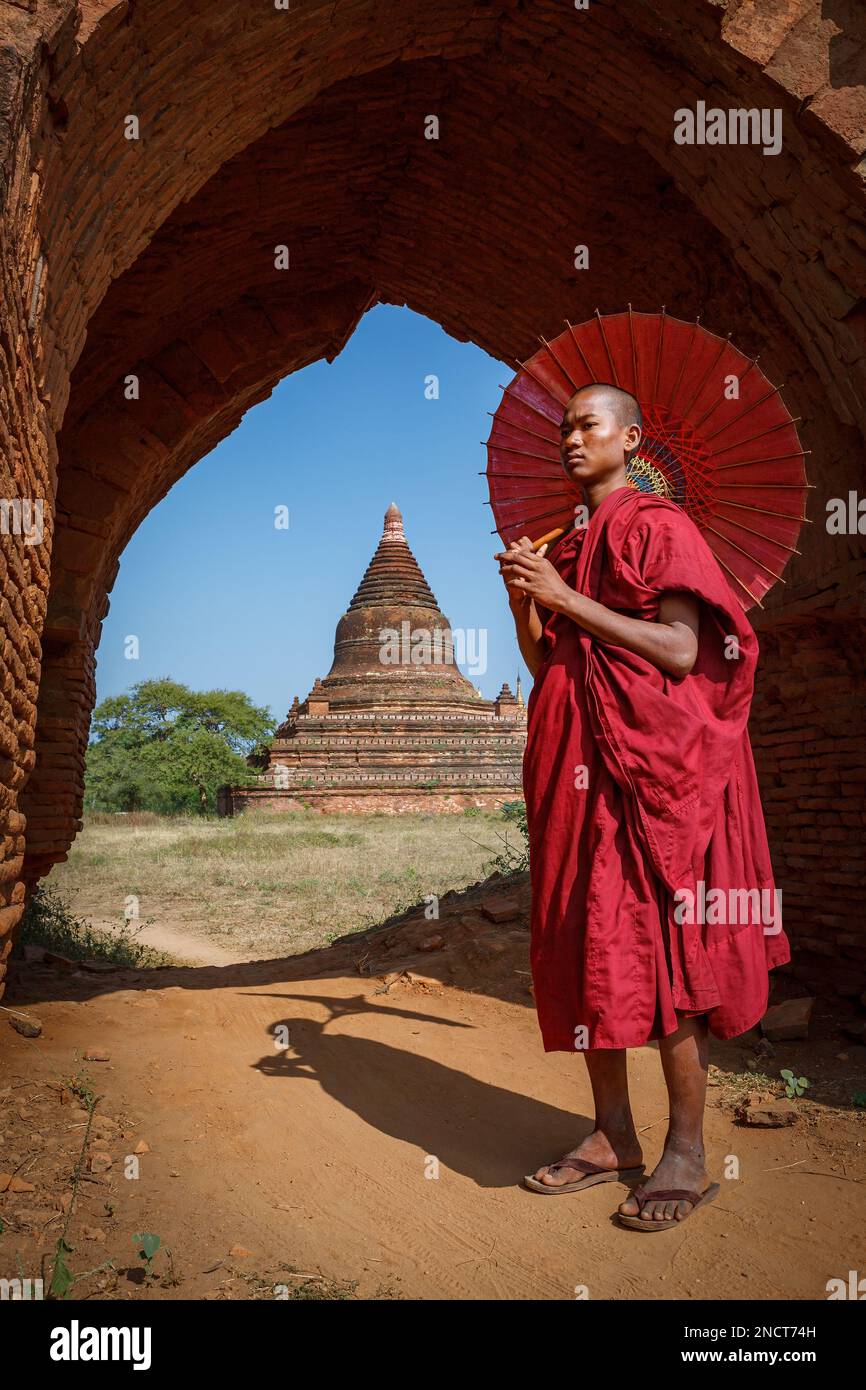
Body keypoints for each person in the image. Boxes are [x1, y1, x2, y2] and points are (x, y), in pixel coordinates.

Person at [495, 382, 790, 1230]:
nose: (568, 439)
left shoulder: (660, 527)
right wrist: (528, 600)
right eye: (563, 428)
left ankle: (688, 1153)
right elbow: (556, 655)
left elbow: (678, 648)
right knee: (589, 946)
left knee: (662, 951)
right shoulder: (572, 540)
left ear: (630, 438)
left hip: (644, 780)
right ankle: (611, 1136)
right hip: (573, 775)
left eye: (585, 424)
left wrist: (565, 597)